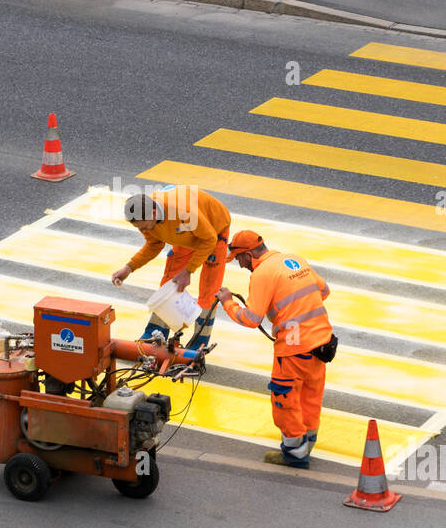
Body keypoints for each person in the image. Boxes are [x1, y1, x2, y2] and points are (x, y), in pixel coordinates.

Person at [215, 231, 335, 469]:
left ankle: (294, 453)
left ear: (249, 255)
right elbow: (324, 291)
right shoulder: (294, 259)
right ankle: (307, 444)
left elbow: (251, 318)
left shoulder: (262, 274)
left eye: (239, 259)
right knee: (310, 396)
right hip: (322, 341)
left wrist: (228, 302)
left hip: (293, 348)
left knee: (284, 400)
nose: (239, 265)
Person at [110, 187, 231, 349]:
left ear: (153, 213)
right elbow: (154, 244)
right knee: (171, 280)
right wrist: (129, 268)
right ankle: (155, 332)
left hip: (214, 230)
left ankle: (199, 343)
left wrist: (188, 271)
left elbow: (209, 239)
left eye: (144, 227)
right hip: (186, 233)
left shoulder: (183, 212)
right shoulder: (146, 219)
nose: (143, 231)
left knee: (210, 289)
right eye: (139, 227)